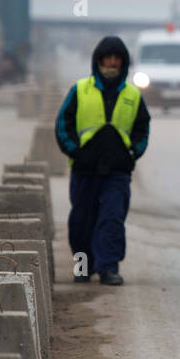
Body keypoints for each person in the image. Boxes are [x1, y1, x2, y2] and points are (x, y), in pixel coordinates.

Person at [54, 36, 150, 285]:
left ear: (124, 62)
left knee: (112, 218)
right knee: (82, 221)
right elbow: (63, 124)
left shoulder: (133, 95)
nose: (112, 62)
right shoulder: (80, 89)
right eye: (108, 57)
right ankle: (84, 268)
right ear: (98, 61)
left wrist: (132, 153)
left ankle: (108, 268)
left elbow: (142, 129)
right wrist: (75, 151)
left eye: (117, 58)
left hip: (117, 171)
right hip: (85, 169)